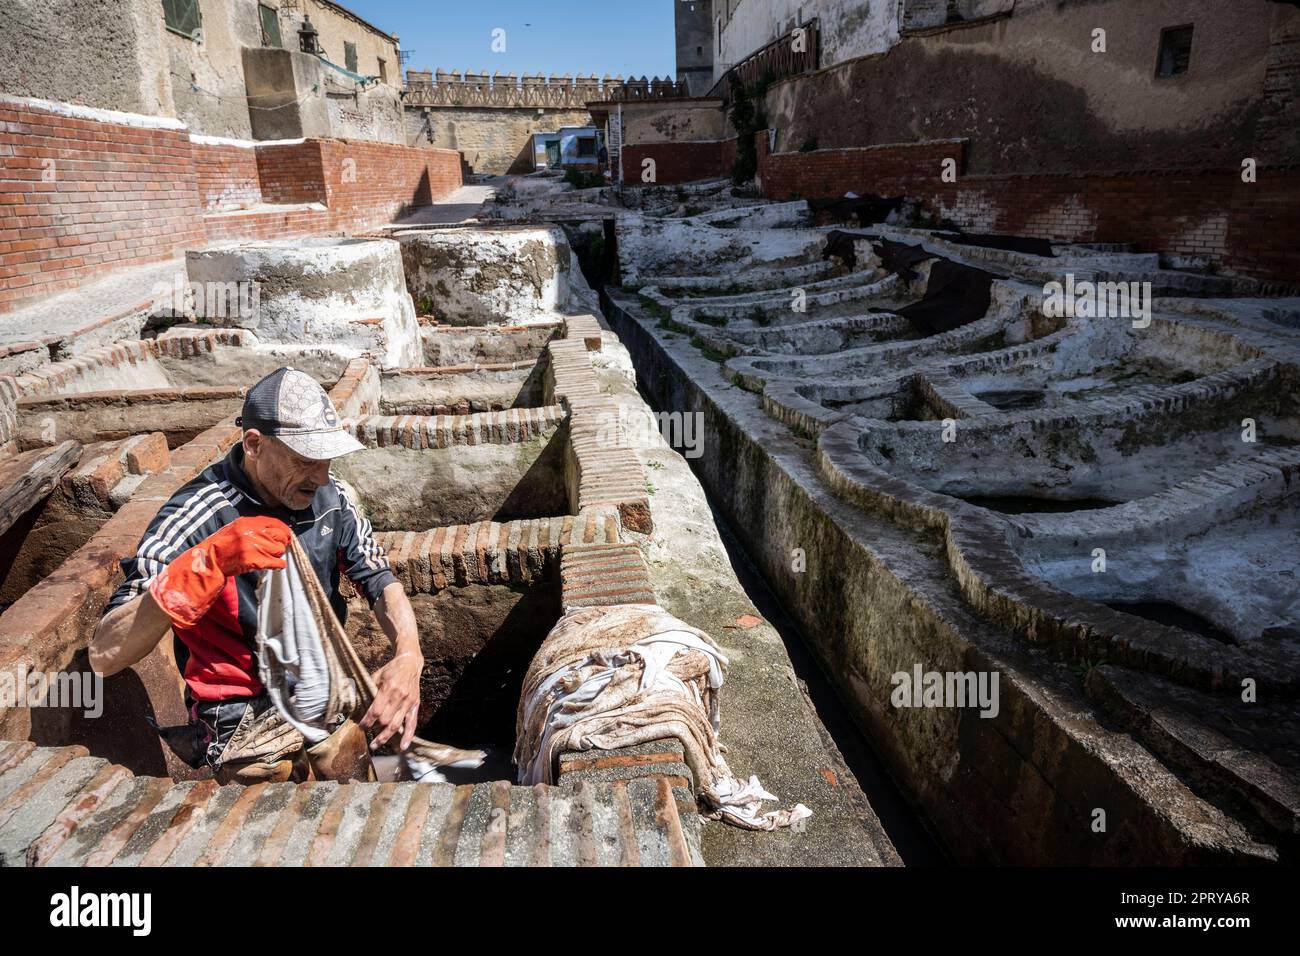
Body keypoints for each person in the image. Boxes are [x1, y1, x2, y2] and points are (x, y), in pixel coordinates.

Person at [89, 367, 422, 784]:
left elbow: (379, 580)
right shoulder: (197, 516)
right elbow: (105, 654)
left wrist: (409, 654)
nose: (319, 477)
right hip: (238, 710)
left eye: (327, 460)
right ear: (254, 444)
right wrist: (206, 564)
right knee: (272, 816)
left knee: (357, 789)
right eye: (305, 461)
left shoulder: (331, 497)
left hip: (321, 687)